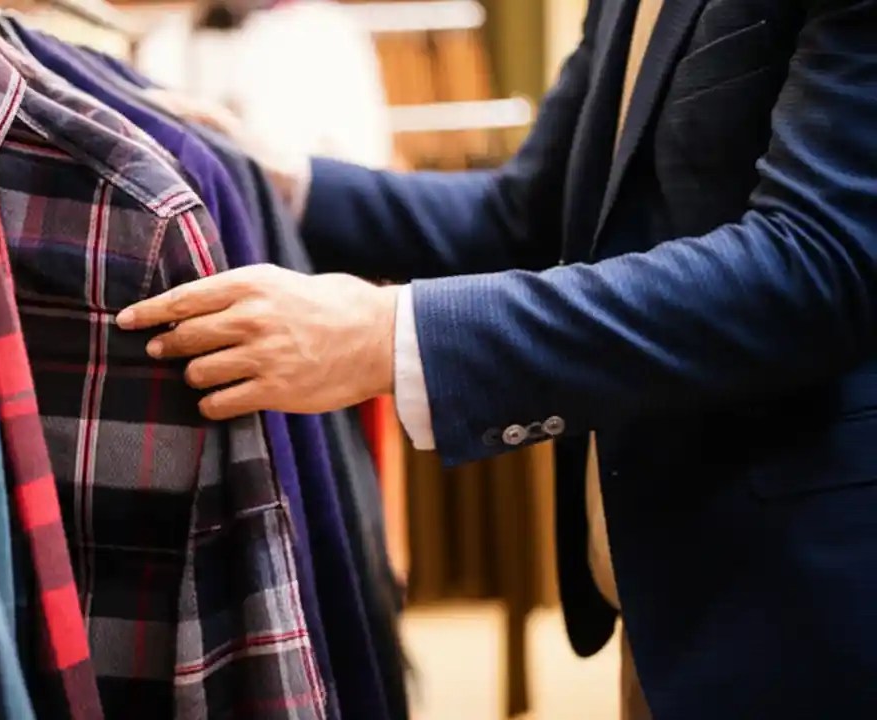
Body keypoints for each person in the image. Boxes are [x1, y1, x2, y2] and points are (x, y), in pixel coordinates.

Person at [115, 0, 877, 718]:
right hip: (669, 593)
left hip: (813, 599)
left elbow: (822, 262)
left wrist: (391, 335)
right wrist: (289, 186)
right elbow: (526, 217)